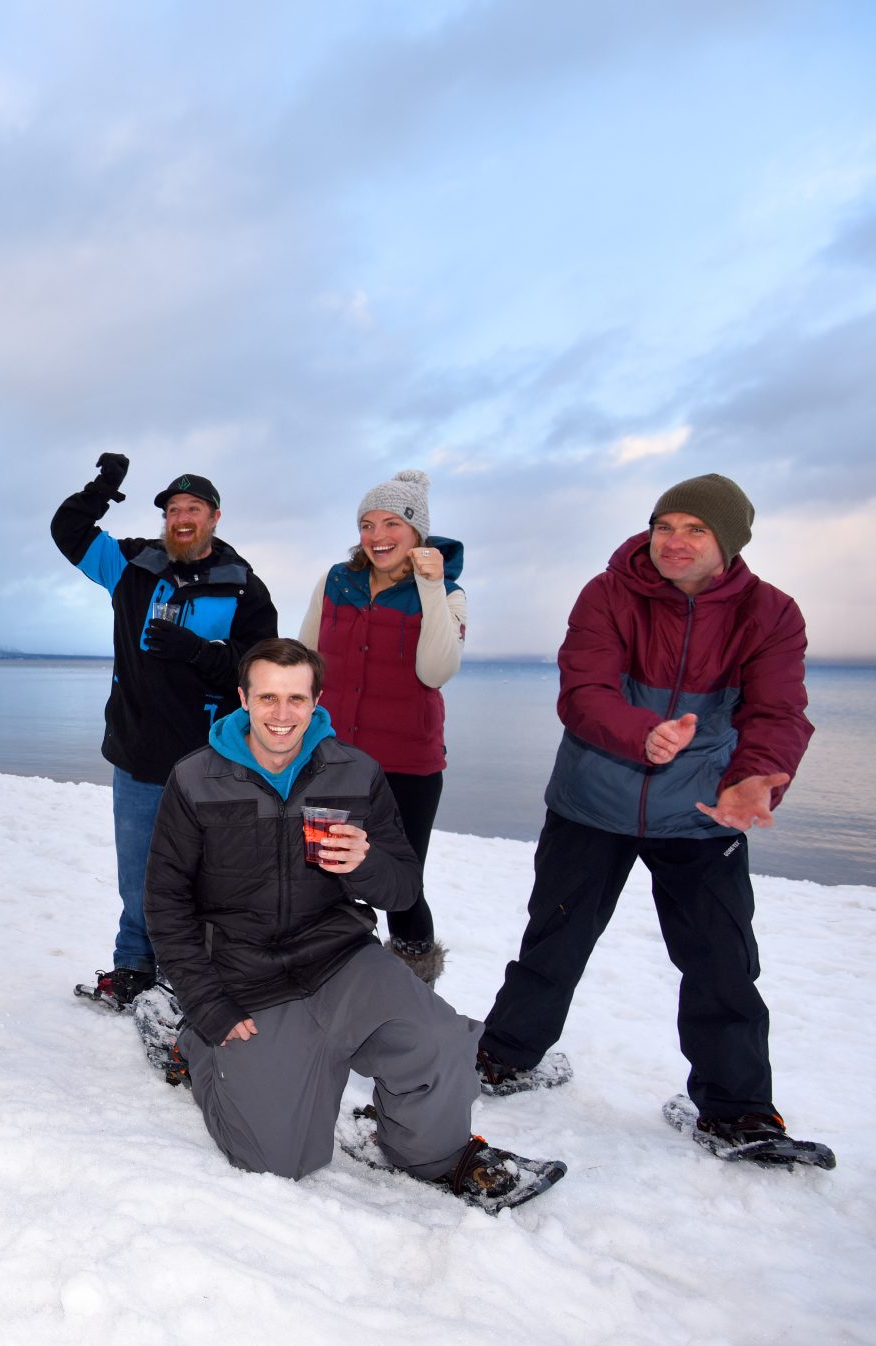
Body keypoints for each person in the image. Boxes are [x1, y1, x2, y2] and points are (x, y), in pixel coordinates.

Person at [144, 638, 565, 1211]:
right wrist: (208, 1005)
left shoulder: (355, 771)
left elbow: (402, 888)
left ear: (317, 700)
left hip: (340, 958)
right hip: (245, 973)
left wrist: (366, 864)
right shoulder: (195, 779)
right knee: (279, 1160)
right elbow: (166, 904)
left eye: (296, 698)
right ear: (242, 699)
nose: (282, 714)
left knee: (438, 1040)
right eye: (267, 697)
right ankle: (199, 1050)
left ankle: (431, 1155)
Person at [476, 475, 824, 1161]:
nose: (675, 541)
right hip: (593, 799)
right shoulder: (608, 593)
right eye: (666, 525)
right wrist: (642, 731)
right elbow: (584, 690)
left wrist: (757, 777)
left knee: (721, 962)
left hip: (702, 811)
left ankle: (734, 1112)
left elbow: (777, 711)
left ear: (728, 541)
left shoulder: (771, 613)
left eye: (695, 529)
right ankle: (504, 1058)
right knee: (555, 939)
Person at [50, 455, 277, 1008]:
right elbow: (68, 530)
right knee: (138, 873)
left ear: (214, 517)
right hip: (137, 750)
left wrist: (200, 653)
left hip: (211, 759)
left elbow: (262, 669)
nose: (181, 517)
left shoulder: (243, 586)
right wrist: (103, 488)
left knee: (201, 875)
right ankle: (133, 967)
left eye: (192, 508)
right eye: (173, 509)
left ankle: (188, 973)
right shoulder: (132, 564)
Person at [297, 469, 466, 984]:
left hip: (408, 768)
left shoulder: (448, 594)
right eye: (367, 524)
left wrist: (432, 586)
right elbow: (305, 660)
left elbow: (435, 671)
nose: (377, 536)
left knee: (399, 882)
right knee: (323, 867)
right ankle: (323, 978)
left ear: (418, 533)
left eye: (392, 523)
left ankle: (413, 988)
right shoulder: (336, 581)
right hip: (331, 760)